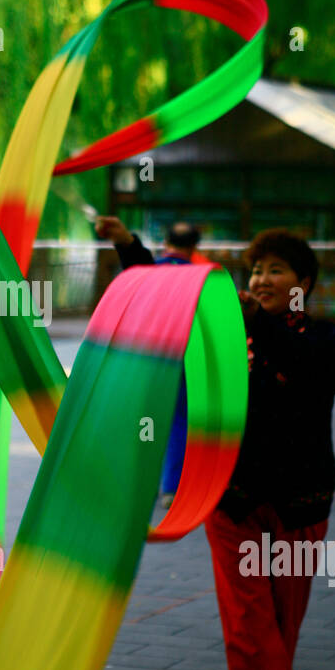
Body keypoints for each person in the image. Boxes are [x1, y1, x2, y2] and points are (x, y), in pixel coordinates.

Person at [203, 230, 335, 670]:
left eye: (275, 270)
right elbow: (166, 306)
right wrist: (129, 252)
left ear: (304, 283)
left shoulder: (327, 340)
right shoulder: (228, 334)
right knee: (247, 627)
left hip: (300, 506)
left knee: (280, 628)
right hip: (234, 502)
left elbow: (303, 373)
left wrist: (252, 322)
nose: (261, 280)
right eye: (255, 270)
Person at [95, 216, 209, 504]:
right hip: (183, 358)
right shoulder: (203, 277)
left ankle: (133, 484)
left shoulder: (147, 270)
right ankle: (170, 487)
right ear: (194, 246)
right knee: (180, 420)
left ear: (165, 243)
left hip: (144, 356)